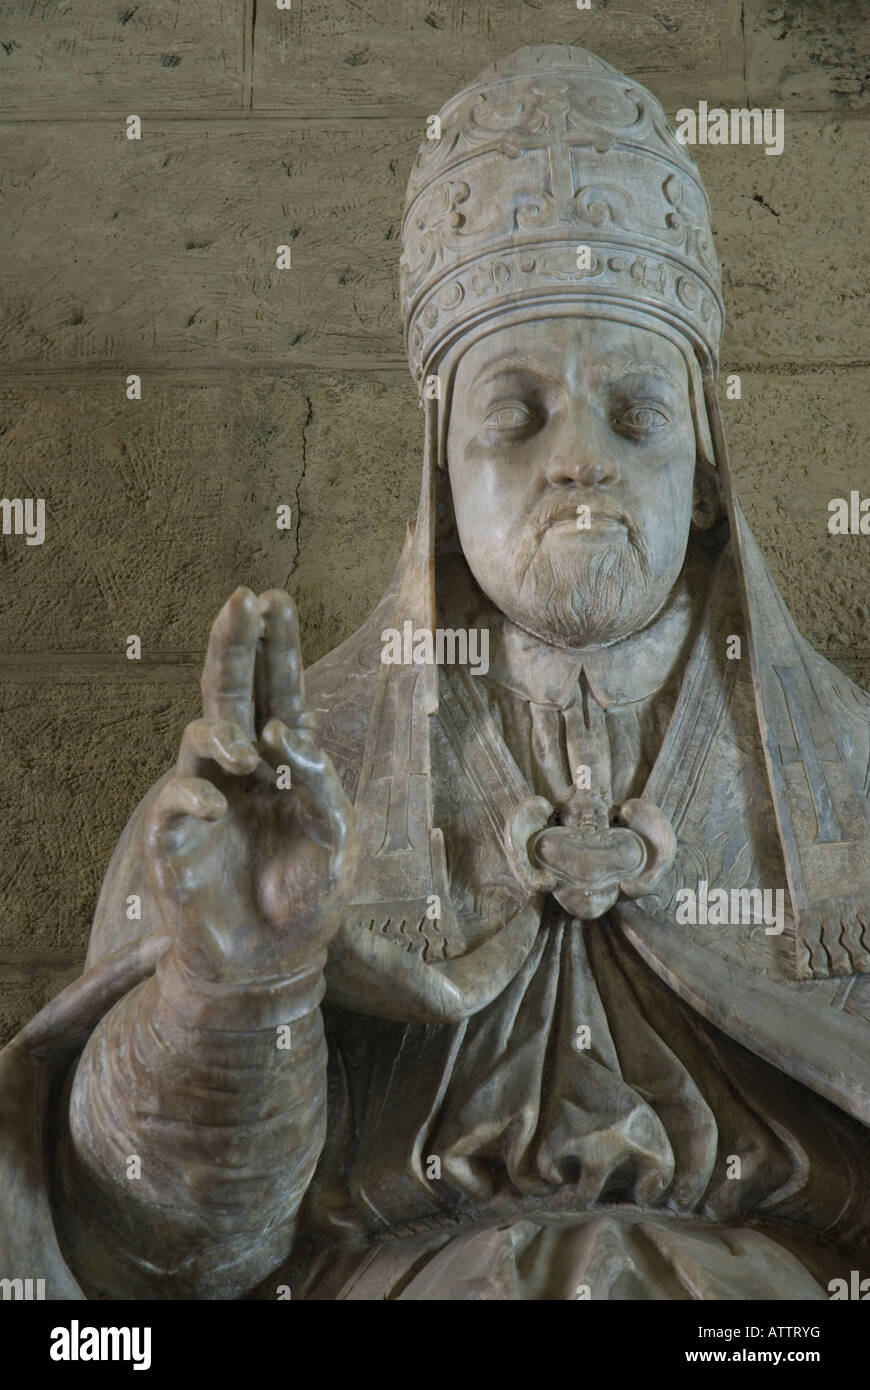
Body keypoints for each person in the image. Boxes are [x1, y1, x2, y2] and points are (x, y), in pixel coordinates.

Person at [3, 44, 870, 1301]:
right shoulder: (281, 791)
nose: (580, 461)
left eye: (636, 413)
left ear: (707, 475)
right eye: (515, 417)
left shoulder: (851, 775)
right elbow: (157, 1262)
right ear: (441, 485)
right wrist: (236, 981)